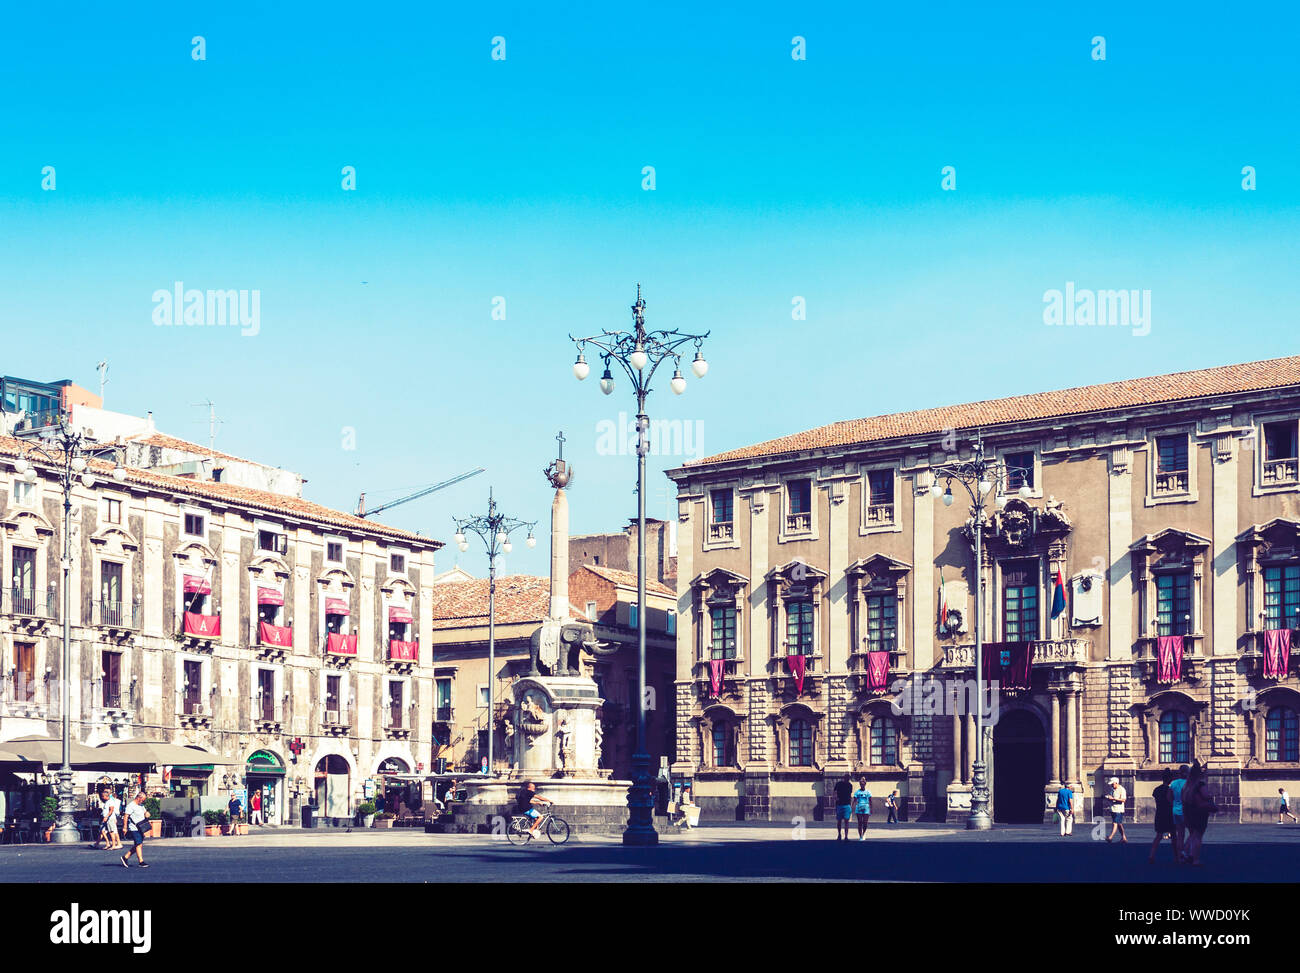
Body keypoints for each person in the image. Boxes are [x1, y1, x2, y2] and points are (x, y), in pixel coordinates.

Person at [1182, 761, 1217, 866]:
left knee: (1192, 834)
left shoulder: (1187, 785)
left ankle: (1185, 853)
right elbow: (1205, 796)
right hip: (1199, 812)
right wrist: (1211, 796)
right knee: (1198, 836)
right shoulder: (1200, 784)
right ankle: (1195, 859)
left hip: (1188, 812)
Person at [1149, 769, 1176, 864]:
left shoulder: (1156, 789)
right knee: (1174, 835)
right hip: (1168, 814)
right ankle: (1176, 856)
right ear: (1170, 779)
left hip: (1159, 813)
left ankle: (1152, 855)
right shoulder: (1169, 790)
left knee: (1159, 835)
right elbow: (1170, 802)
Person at [120, 791, 150, 868]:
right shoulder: (131, 806)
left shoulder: (141, 805)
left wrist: (147, 813)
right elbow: (126, 816)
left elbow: (145, 812)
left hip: (141, 827)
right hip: (134, 828)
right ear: (138, 798)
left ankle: (125, 857)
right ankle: (141, 861)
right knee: (139, 844)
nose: (143, 801)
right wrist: (125, 827)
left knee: (138, 844)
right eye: (143, 799)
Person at [1169, 765, 1189, 861]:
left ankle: (1178, 857)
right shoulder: (1189, 783)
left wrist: (1173, 805)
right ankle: (1184, 851)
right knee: (1194, 833)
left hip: (1175, 810)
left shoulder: (1173, 783)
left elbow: (1169, 797)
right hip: (1187, 810)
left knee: (1180, 835)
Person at [1104, 777, 1127, 844]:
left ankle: (1110, 837)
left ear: (1116, 783)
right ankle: (1124, 838)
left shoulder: (1122, 789)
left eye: (1112, 784)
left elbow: (1123, 800)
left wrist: (1113, 798)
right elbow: (1111, 798)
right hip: (1113, 809)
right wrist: (1108, 797)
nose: (1111, 785)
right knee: (1119, 824)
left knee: (1115, 823)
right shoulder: (1112, 789)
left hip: (1119, 810)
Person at [100, 787, 122, 851]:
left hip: (110, 819)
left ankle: (114, 845)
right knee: (103, 830)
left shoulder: (111, 801)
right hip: (106, 818)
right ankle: (108, 843)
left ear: (106, 796)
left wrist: (107, 816)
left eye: (103, 796)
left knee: (112, 832)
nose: (102, 797)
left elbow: (111, 810)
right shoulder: (106, 802)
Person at [833, 774, 853, 841]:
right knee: (839, 821)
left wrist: (850, 805)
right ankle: (839, 834)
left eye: (848, 778)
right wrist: (835, 798)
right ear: (844, 778)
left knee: (846, 821)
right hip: (839, 805)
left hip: (847, 805)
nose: (847, 779)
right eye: (846, 778)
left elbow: (850, 795)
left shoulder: (850, 785)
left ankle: (846, 836)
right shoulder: (839, 784)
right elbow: (834, 792)